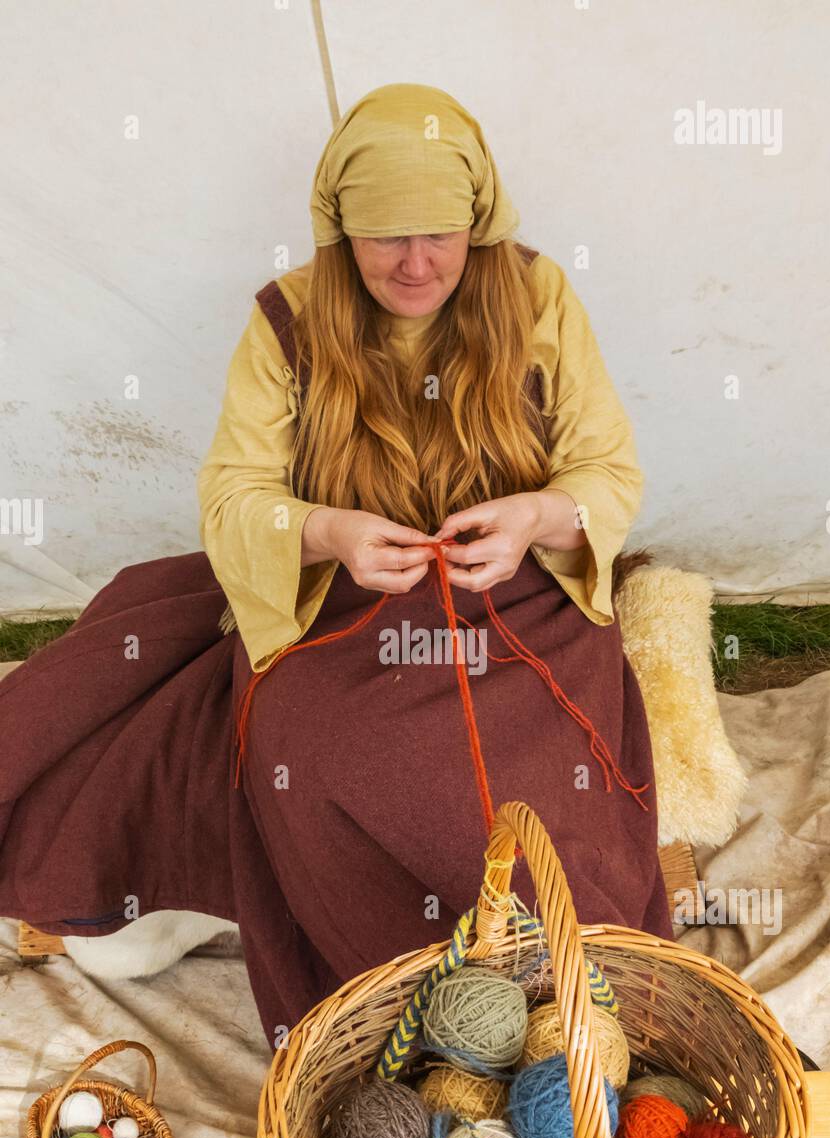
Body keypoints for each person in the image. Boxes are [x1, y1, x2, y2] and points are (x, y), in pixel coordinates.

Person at [0, 83, 671, 1050]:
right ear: (340, 228)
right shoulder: (288, 320)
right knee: (313, 761)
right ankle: (400, 1023)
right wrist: (327, 533)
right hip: (344, 601)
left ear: (477, 219)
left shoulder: (540, 298)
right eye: (385, 237)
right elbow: (234, 496)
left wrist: (533, 516)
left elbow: (607, 473)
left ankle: (554, 1001)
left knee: (531, 804)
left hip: (517, 596)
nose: (415, 263)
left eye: (438, 235)